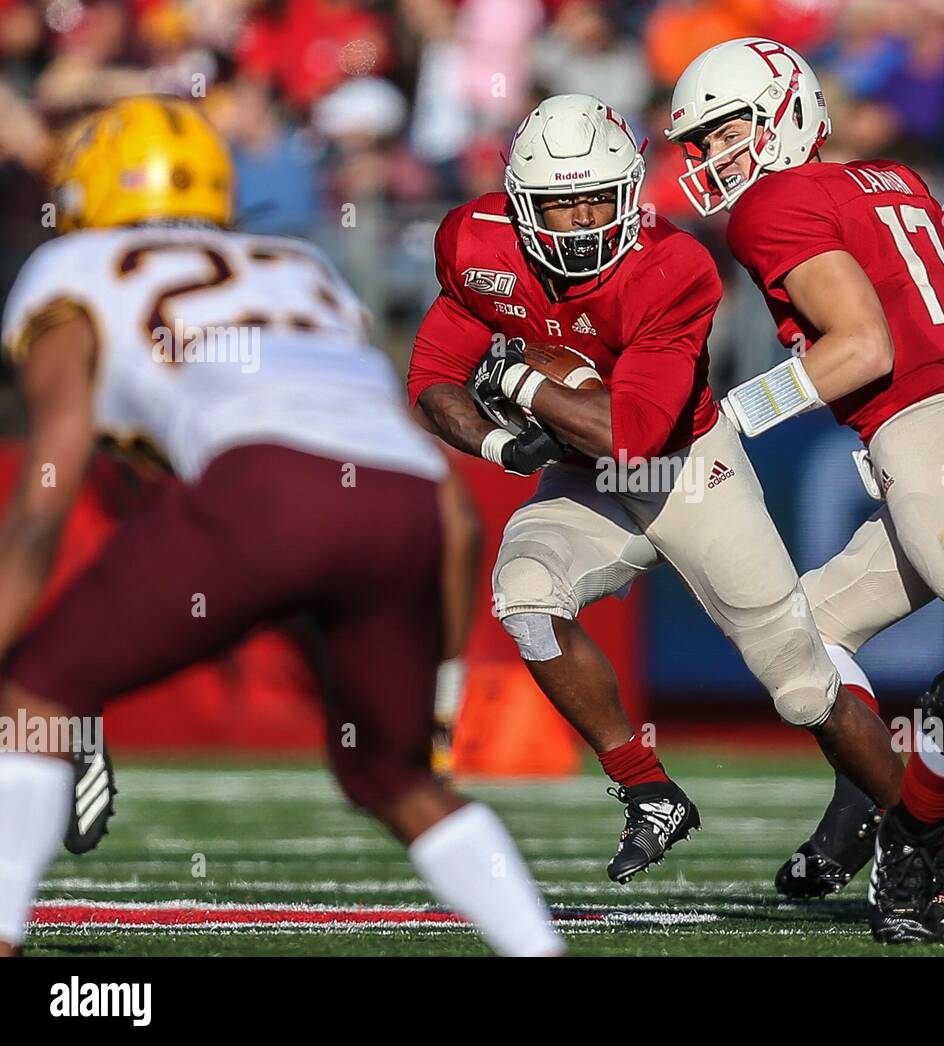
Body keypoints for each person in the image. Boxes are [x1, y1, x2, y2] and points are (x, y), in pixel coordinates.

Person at [0, 96, 561, 958]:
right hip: (405, 502)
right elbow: (447, 503)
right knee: (392, 775)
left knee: (34, 699)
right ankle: (539, 951)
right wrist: (443, 677)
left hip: (263, 488)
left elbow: (48, 485)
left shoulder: (74, 265)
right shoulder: (300, 266)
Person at [409, 93, 905, 887]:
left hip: (685, 470)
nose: (577, 224)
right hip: (585, 477)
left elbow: (635, 434)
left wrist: (523, 387)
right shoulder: (476, 243)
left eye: (593, 201)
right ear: (519, 205)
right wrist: (504, 443)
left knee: (802, 684)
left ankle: (925, 847)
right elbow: (434, 375)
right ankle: (648, 791)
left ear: (631, 191)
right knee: (525, 598)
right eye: (557, 205)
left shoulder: (672, 265)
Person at [665, 36, 944, 941]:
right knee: (803, 634)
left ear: (782, 115)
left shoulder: (773, 204)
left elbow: (861, 351)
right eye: (701, 143)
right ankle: (867, 814)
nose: (712, 158)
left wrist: (732, 412)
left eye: (725, 134)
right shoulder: (892, 183)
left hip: (924, 445)